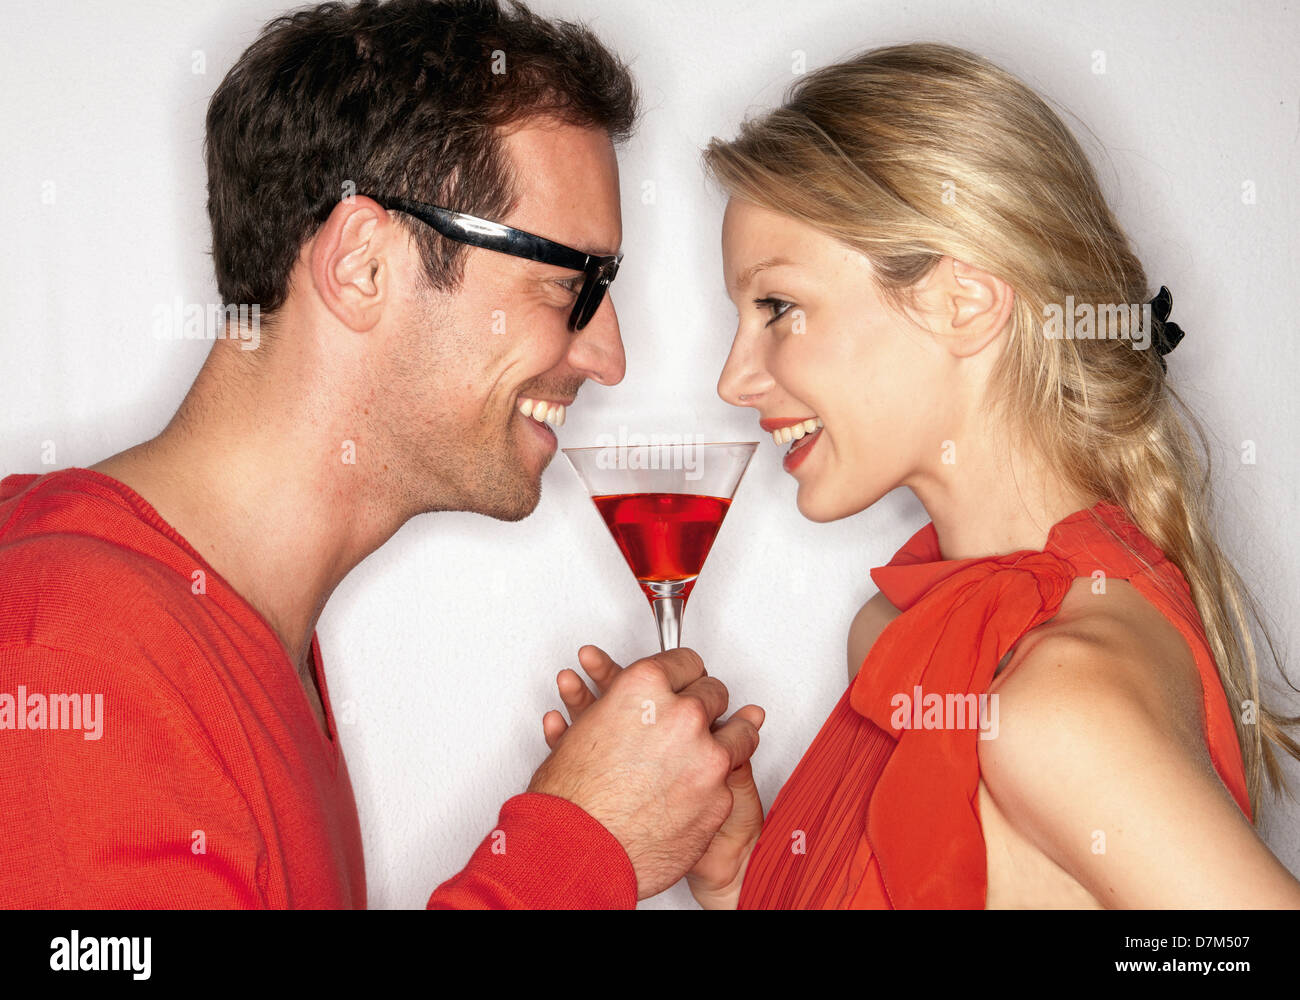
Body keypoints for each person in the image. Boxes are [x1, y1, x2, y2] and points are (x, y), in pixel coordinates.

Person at [0, 0, 763, 909]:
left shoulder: (232, 637)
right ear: (363, 263)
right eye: (570, 282)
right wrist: (575, 848)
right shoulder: (72, 655)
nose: (609, 356)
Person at [546, 42, 1300, 908]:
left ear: (965, 303)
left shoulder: (1054, 703)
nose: (734, 380)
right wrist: (746, 874)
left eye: (778, 308)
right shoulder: (905, 638)